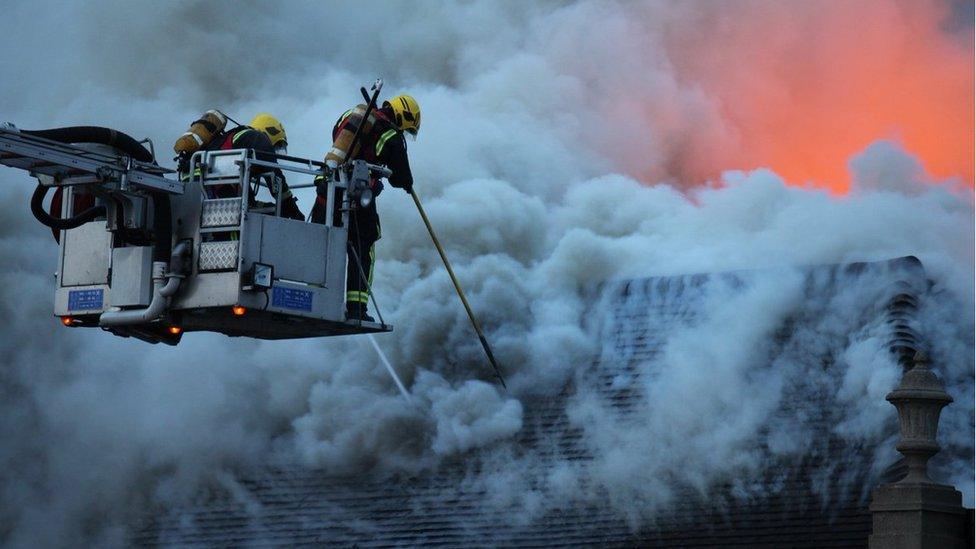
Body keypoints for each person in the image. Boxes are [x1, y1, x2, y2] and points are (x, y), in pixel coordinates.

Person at [310, 94, 419, 321]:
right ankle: (357, 308)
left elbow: (338, 138)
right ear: (403, 116)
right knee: (363, 247)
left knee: (320, 246)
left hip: (326, 191)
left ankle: (313, 300)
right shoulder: (391, 135)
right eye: (406, 128)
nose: (404, 133)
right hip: (356, 198)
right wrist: (407, 184)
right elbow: (400, 178)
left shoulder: (350, 116)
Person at [179, 112, 304, 220]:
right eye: (277, 145)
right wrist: (293, 211)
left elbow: (245, 198)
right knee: (233, 227)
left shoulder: (238, 141)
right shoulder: (258, 138)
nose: (274, 151)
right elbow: (277, 180)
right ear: (269, 132)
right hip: (208, 184)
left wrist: (268, 208)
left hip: (195, 183)